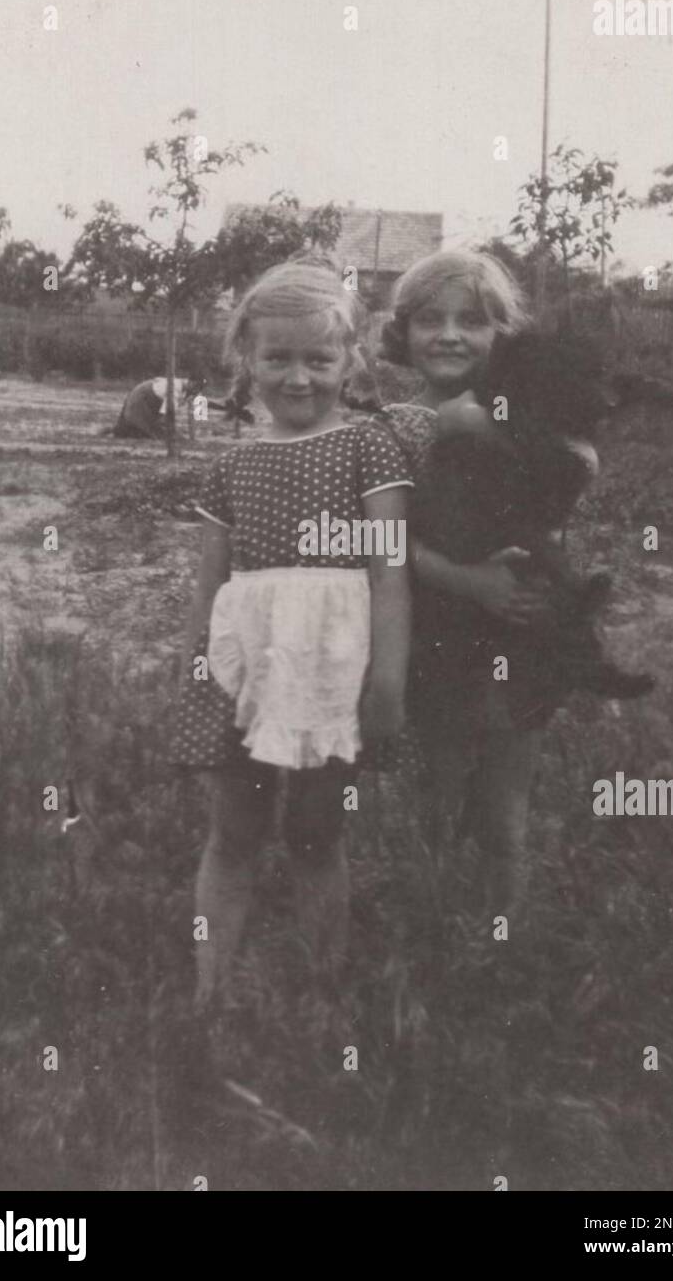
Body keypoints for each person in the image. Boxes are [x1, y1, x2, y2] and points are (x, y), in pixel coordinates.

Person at [169, 261, 412, 1007]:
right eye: (277, 358)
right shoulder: (231, 464)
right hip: (248, 672)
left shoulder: (369, 447)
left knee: (316, 832)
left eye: (319, 359)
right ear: (247, 360)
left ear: (351, 362)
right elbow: (210, 586)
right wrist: (196, 674)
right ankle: (209, 992)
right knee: (234, 831)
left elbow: (390, 572)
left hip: (330, 671)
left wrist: (388, 679)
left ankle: (323, 989)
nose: (298, 377)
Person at [376, 250, 628, 920]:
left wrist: (494, 431)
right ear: (404, 331)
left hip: (521, 625)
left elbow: (576, 468)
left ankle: (499, 936)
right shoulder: (390, 428)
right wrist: (466, 579)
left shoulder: (521, 416)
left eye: (474, 321)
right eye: (432, 319)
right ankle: (430, 926)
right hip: (435, 631)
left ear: (504, 334)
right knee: (440, 785)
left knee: (505, 807)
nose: (451, 335)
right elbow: (380, 542)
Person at [112, 375, 203, 439]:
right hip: (140, 399)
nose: (196, 390)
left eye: (199, 388)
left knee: (136, 431)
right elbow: (164, 418)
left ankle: (119, 430)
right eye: (196, 387)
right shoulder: (174, 390)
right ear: (190, 382)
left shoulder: (184, 386)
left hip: (147, 397)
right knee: (154, 434)